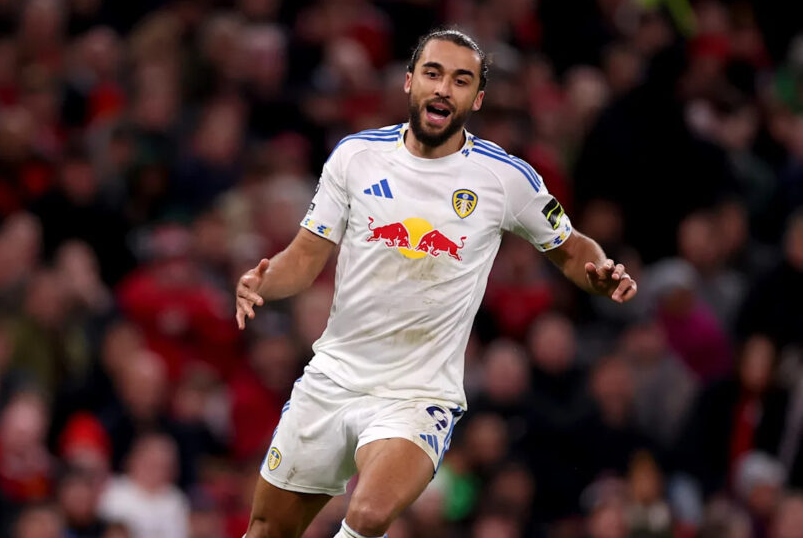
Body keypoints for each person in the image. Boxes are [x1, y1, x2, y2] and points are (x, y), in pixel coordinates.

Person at [235, 28, 638, 538]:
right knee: (267, 529)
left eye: (461, 79)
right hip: (333, 380)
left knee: (367, 516)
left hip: (418, 394)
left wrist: (599, 273)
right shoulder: (355, 158)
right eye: (433, 73)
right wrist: (263, 282)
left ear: (478, 98)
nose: (445, 88)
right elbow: (304, 259)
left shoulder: (503, 179)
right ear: (409, 82)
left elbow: (573, 247)